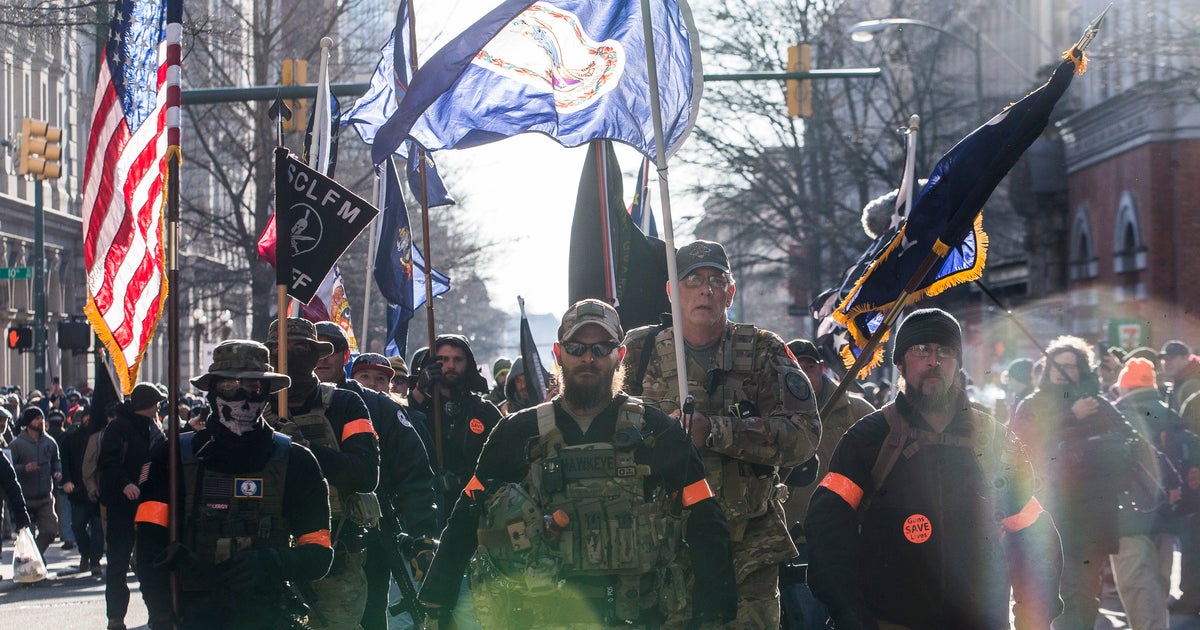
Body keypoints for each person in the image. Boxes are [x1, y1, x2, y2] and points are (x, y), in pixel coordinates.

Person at [418, 299, 737, 627]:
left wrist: (715, 608)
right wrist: (437, 599)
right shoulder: (515, 433)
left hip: (640, 614)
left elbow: (705, 519)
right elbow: (468, 513)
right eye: (576, 347)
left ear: (620, 356)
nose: (588, 357)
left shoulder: (657, 432)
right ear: (558, 354)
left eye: (601, 348)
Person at [806, 308, 1063, 629]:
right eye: (921, 350)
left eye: (945, 351)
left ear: (957, 364)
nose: (933, 361)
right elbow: (827, 530)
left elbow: (1032, 531)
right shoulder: (868, 439)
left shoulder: (995, 440)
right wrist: (849, 612)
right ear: (899, 362)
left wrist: (1033, 615)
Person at [622, 240, 822, 627]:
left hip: (746, 546)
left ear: (730, 292)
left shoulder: (764, 351)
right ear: (671, 290)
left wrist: (714, 432)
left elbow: (804, 435)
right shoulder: (639, 350)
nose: (706, 289)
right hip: (663, 545)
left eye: (716, 279)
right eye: (693, 279)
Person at [135, 340, 334, 629]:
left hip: (268, 613)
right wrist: (161, 613)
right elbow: (148, 547)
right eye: (230, 385)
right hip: (192, 614)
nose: (242, 398)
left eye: (253, 388)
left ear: (267, 394)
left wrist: (271, 561)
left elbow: (319, 555)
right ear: (213, 390)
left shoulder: (296, 462)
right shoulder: (172, 459)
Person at [312, 323, 440, 630]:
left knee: (369, 617)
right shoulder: (274, 401)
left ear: (344, 356)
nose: (321, 357)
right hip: (294, 539)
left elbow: (415, 471)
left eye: (330, 349)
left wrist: (423, 534)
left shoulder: (376, 405)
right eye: (311, 348)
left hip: (366, 537)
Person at [265, 317, 380, 629]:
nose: (290, 357)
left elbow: (365, 473)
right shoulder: (255, 408)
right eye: (281, 350)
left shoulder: (344, 404)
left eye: (301, 349)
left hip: (335, 557)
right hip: (268, 556)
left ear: (315, 356)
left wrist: (303, 451)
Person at [1011, 334, 1126, 630]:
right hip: (1048, 515)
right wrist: (1070, 417)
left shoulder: (1097, 403)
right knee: (1044, 596)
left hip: (1091, 517)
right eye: (1057, 366)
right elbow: (1024, 447)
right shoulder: (1032, 403)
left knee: (1086, 596)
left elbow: (1129, 443)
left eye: (1071, 367)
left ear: (1083, 369)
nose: (1064, 372)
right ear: (1047, 370)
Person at [780, 338, 875, 630]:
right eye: (795, 368)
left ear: (821, 368)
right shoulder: (773, 414)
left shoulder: (857, 411)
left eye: (809, 367)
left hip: (848, 540)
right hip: (798, 542)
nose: (803, 375)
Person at [1110, 357, 1200, 629]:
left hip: (1128, 516)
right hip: (1168, 511)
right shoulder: (1170, 414)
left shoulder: (1118, 417)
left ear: (1124, 387)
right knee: (1159, 582)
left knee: (1137, 585)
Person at [98, 382, 166, 630]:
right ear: (147, 406)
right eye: (156, 403)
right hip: (121, 507)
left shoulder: (156, 429)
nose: (159, 407)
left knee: (150, 563)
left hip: (149, 506)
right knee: (117, 564)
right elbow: (107, 463)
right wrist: (124, 483)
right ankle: (116, 617)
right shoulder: (118, 428)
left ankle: (158, 612)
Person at [409, 334, 503, 501]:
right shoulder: (418, 407)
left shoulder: (484, 411)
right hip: (429, 503)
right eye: (443, 360)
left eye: (458, 360)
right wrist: (418, 391)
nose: (451, 365)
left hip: (473, 505)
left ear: (468, 364)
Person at [9, 406, 62, 554]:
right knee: (27, 535)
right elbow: (9, 467)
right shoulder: (17, 444)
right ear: (28, 422)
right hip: (25, 499)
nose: (41, 422)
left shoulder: (49, 442)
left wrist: (57, 472)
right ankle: (33, 563)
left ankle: (35, 555)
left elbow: (56, 460)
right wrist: (24, 468)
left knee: (51, 530)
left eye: (42, 419)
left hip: (45, 497)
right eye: (37, 419)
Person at [60, 403, 104, 575]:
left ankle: (95, 561)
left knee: (98, 529)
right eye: (86, 416)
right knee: (78, 526)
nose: (88, 419)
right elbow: (65, 461)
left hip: (98, 491)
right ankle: (85, 554)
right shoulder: (71, 439)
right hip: (79, 491)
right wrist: (67, 480)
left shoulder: (103, 437)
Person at [1161, 340, 1200, 413]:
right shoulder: (1179, 380)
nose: (1167, 363)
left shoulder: (1192, 384)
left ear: (1185, 358)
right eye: (1164, 359)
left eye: (1171, 358)